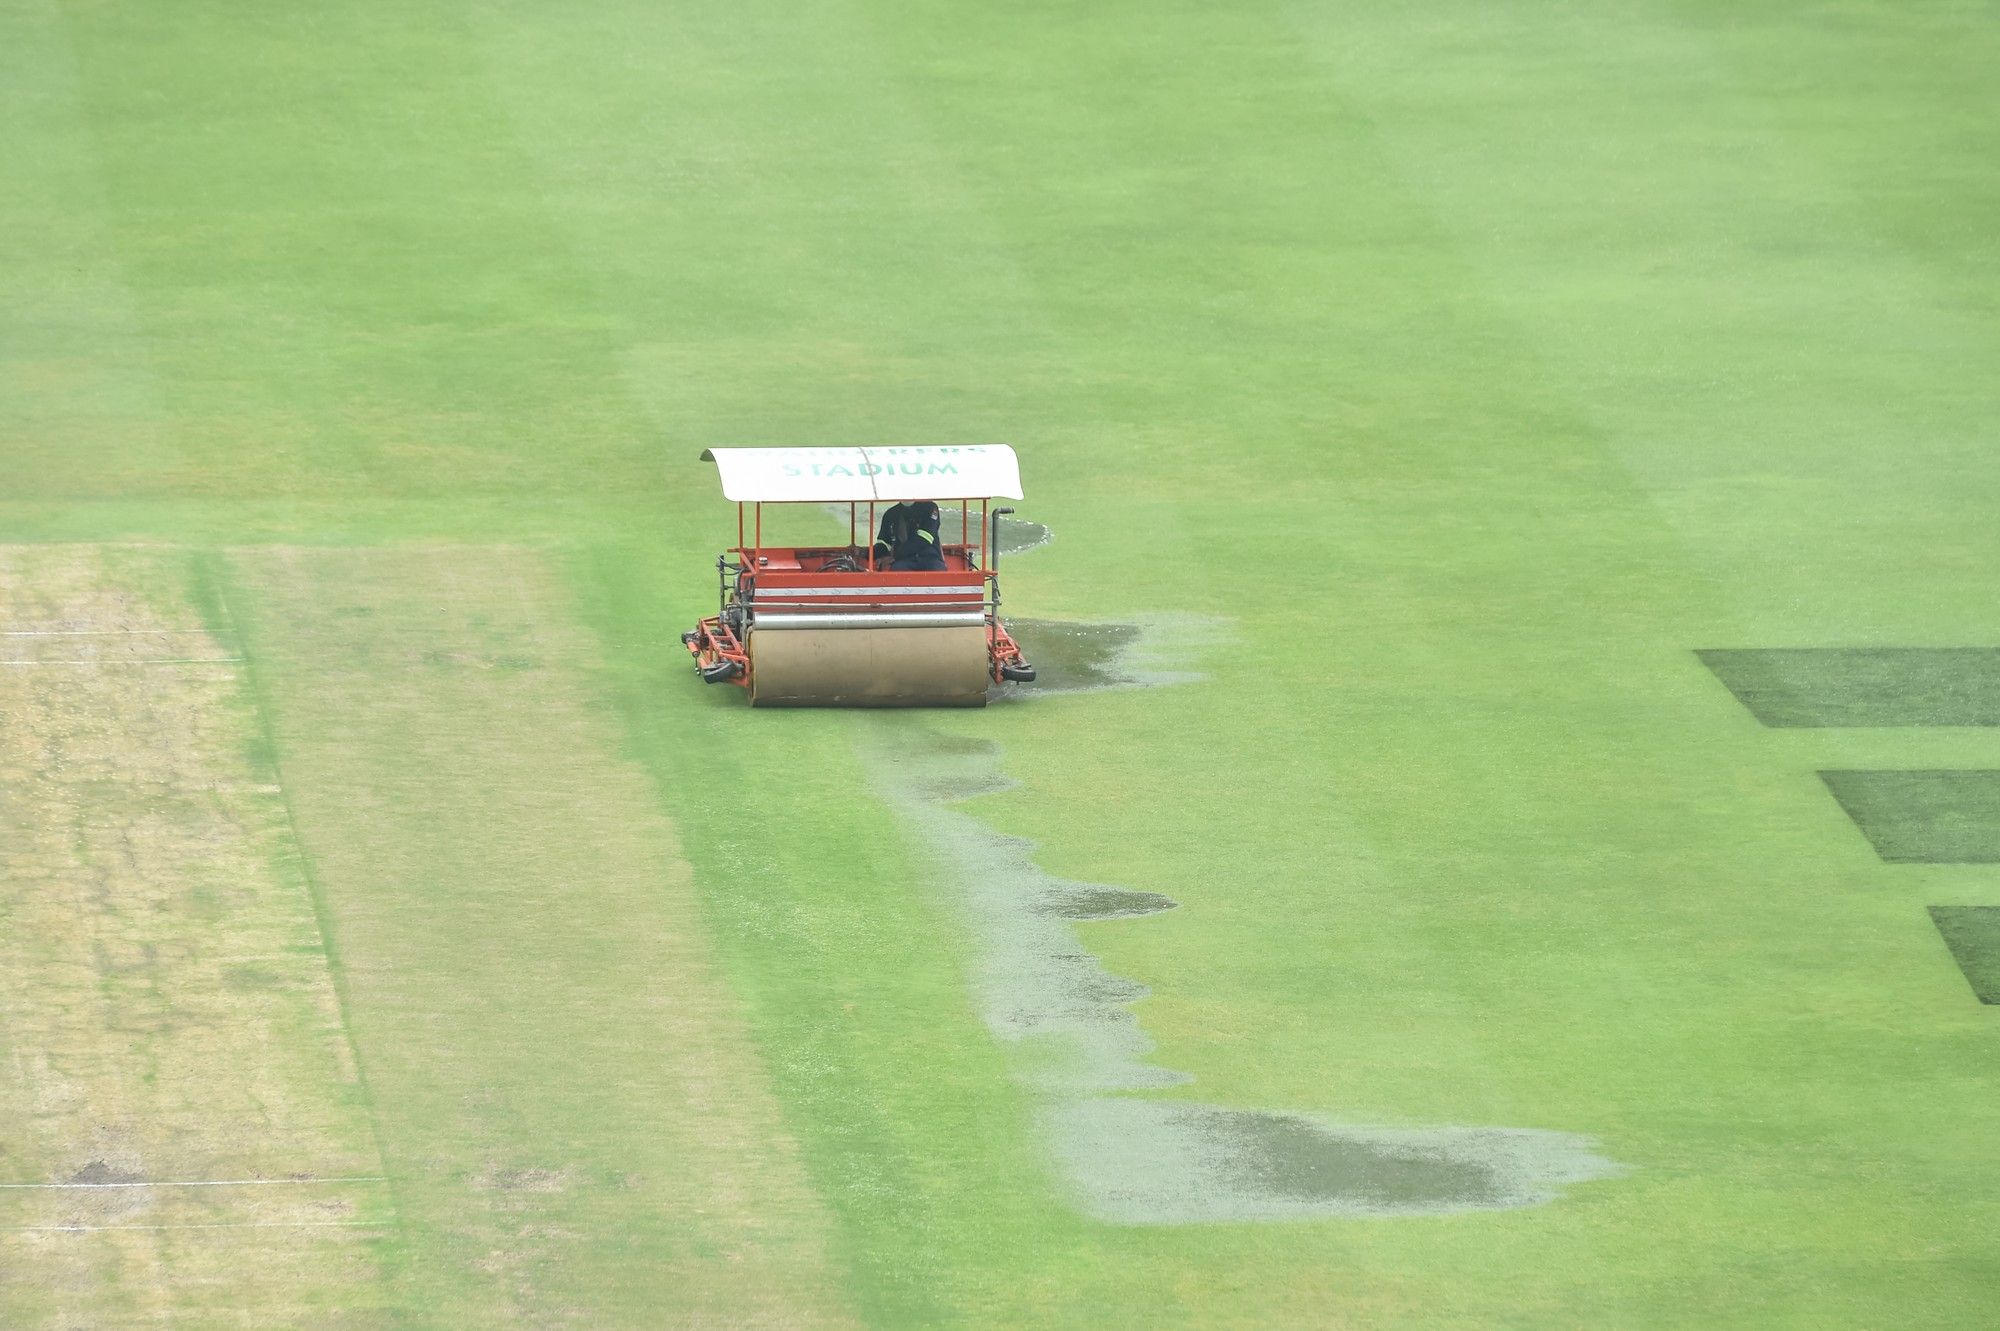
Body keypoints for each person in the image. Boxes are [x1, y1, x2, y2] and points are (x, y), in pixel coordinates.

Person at [872, 499, 947, 571]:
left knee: (938, 570)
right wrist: (866, 553)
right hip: (905, 560)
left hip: (930, 558)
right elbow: (884, 543)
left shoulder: (930, 507)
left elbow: (925, 538)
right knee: (897, 569)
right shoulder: (890, 514)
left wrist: (895, 556)